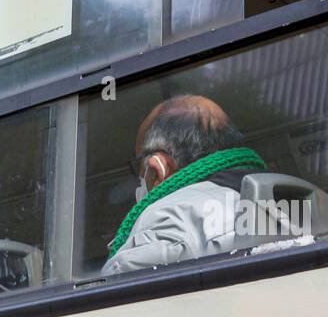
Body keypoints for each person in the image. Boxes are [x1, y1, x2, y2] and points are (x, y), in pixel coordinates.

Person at [103, 95, 266, 275]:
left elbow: (119, 293)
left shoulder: (169, 219)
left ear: (158, 169)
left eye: (138, 166)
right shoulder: (273, 201)